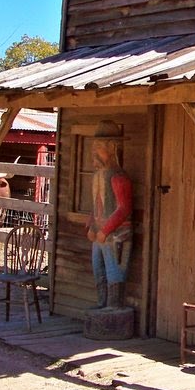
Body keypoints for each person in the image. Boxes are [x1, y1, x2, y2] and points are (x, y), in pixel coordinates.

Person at [85, 122, 133, 308]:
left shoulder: (119, 177)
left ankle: (113, 306)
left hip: (116, 234)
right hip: (100, 233)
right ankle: (102, 304)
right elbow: (96, 205)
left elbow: (124, 208)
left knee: (115, 272)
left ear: (112, 147)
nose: (94, 152)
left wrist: (105, 230)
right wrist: (91, 226)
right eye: (94, 147)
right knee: (98, 270)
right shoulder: (98, 176)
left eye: (99, 147)